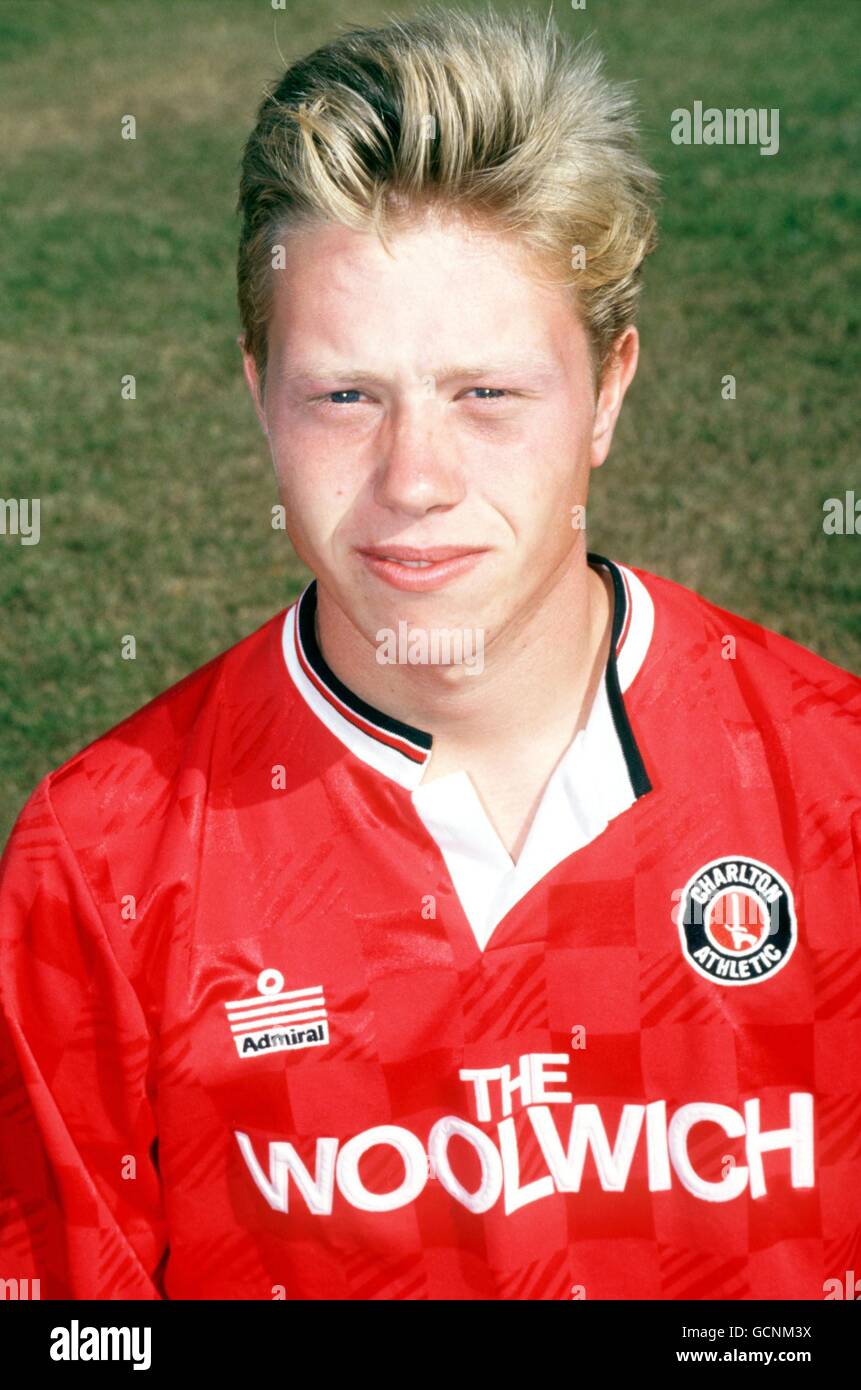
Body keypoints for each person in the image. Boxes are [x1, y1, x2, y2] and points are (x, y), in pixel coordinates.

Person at [1, 6, 859, 1302]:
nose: (414, 479)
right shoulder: (99, 867)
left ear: (608, 391)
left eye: (485, 395)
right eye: (345, 396)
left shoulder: (834, 792)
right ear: (258, 399)